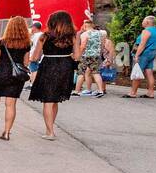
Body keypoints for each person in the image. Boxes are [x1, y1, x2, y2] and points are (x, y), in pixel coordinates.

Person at [27, 10, 79, 140]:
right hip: (65, 67)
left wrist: (32, 58)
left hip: (48, 66)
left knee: (48, 100)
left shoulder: (44, 36)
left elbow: (35, 57)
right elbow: (77, 56)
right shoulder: (72, 36)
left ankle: (50, 132)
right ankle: (50, 128)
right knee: (55, 100)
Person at [0, 15, 31, 139]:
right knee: (11, 104)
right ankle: (7, 132)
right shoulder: (27, 44)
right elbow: (26, 62)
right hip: (16, 76)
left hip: (0, 74)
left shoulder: (0, 42)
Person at [125, 15, 156, 99]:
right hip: (152, 53)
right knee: (149, 73)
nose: (142, 22)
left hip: (144, 54)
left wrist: (137, 55)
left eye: (143, 21)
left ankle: (133, 93)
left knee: (137, 72)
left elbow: (142, 44)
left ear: (147, 22)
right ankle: (150, 93)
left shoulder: (146, 31)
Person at [73, 20, 110, 98]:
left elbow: (83, 45)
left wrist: (78, 55)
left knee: (81, 73)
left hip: (86, 55)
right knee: (96, 72)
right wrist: (99, 53)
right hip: (96, 55)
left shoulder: (84, 34)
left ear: (85, 26)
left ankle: (76, 91)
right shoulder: (100, 33)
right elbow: (102, 45)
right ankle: (100, 90)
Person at [27, 20, 45, 84]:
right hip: (40, 55)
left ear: (34, 27)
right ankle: (33, 83)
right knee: (35, 69)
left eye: (32, 27)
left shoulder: (36, 35)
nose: (31, 29)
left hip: (34, 54)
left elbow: (32, 45)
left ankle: (32, 83)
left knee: (33, 70)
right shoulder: (42, 34)